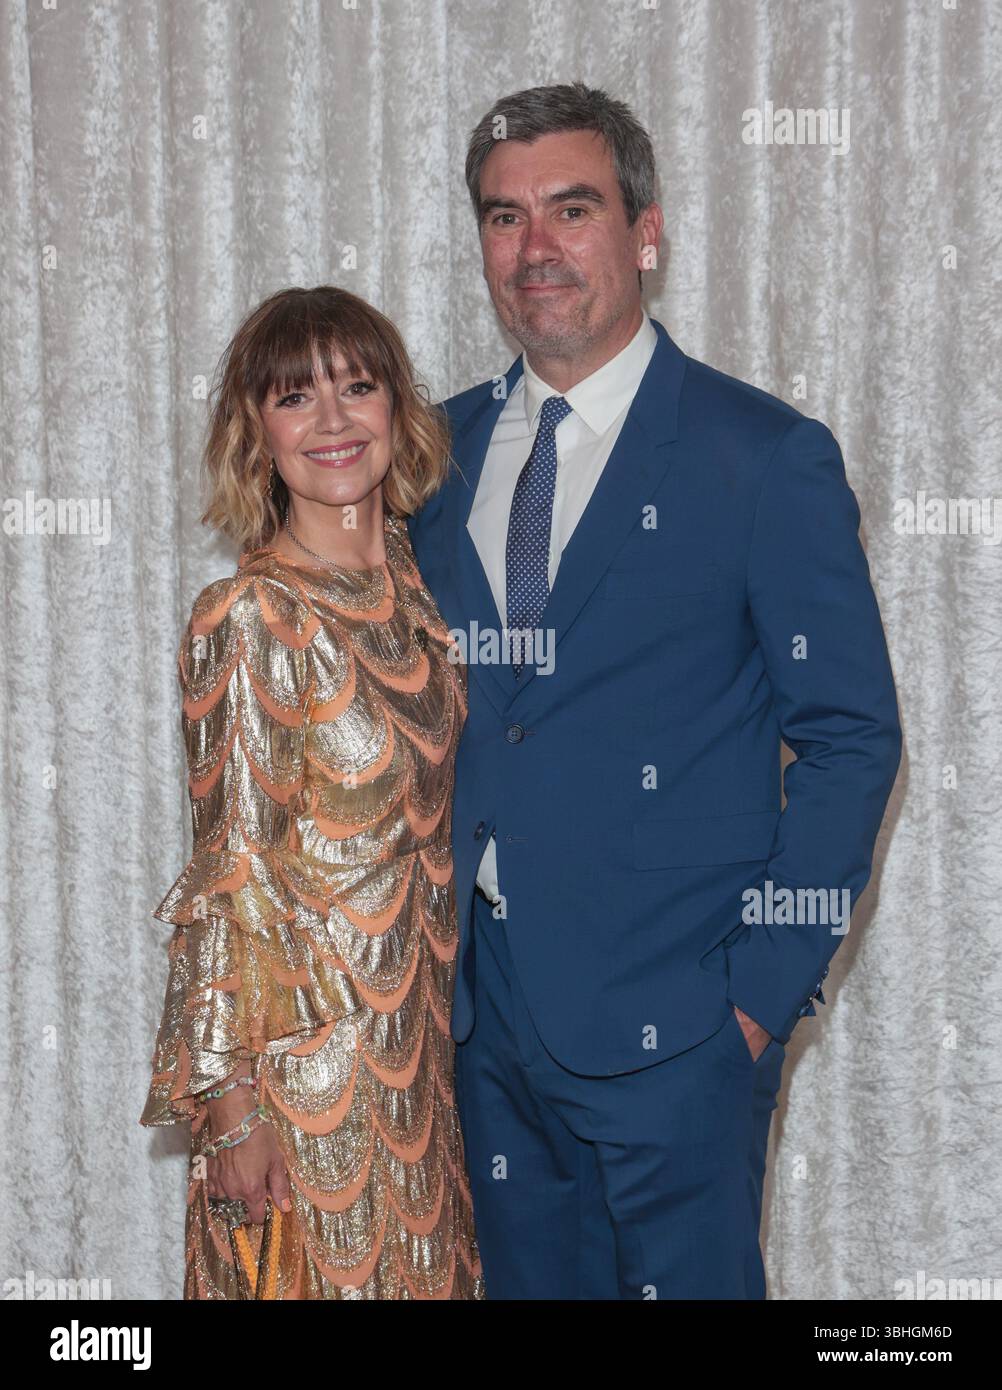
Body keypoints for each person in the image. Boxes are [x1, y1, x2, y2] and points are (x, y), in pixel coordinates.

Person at [406, 82, 903, 1299]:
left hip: (680, 1024)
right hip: (477, 1024)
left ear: (646, 231)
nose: (535, 248)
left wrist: (753, 1000)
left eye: (571, 210)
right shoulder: (427, 452)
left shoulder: (761, 454)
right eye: (503, 216)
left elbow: (850, 735)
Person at [140, 285, 483, 1300]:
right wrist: (233, 1113)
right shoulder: (249, 615)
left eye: (358, 386)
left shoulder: (415, 590)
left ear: (397, 409)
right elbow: (229, 876)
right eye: (295, 398)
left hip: (418, 1059)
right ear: (258, 434)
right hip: (304, 1087)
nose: (332, 421)